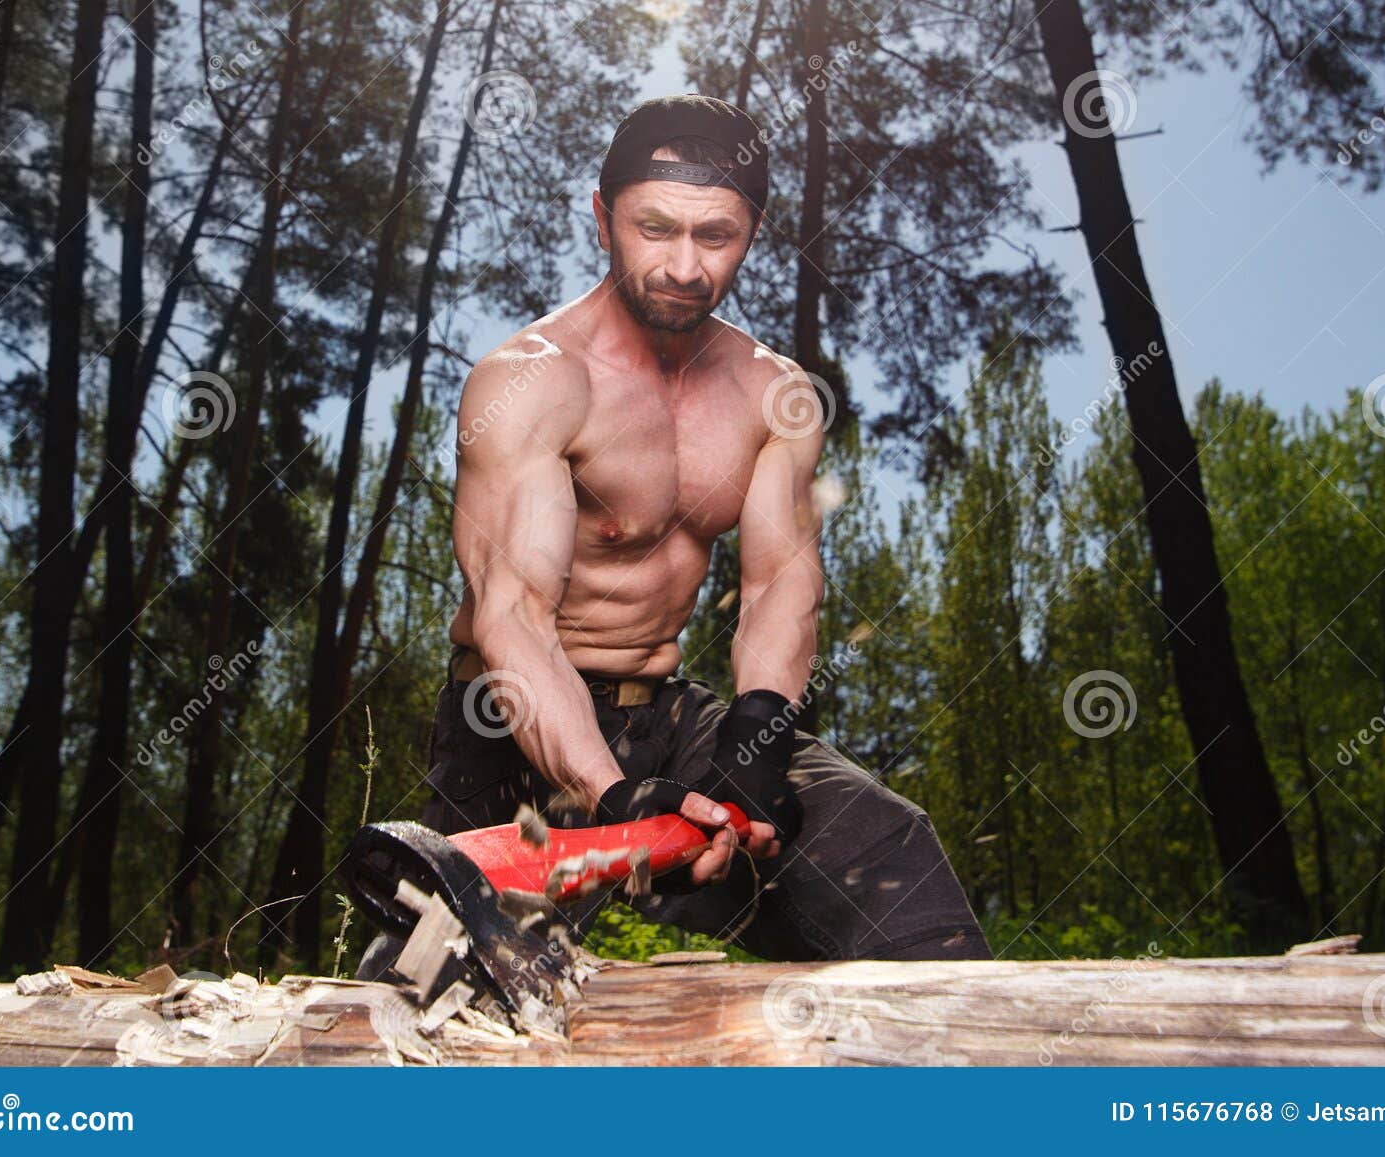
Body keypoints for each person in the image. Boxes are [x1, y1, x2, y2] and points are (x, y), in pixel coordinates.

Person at [423, 94, 989, 961]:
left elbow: (778, 584)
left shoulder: (775, 396)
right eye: (655, 228)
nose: (684, 265)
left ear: (752, 232)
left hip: (667, 716)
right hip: (513, 724)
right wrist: (614, 803)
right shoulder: (531, 382)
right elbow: (514, 619)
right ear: (602, 217)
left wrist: (755, 738)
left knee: (889, 857)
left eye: (716, 237)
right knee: (454, 1003)